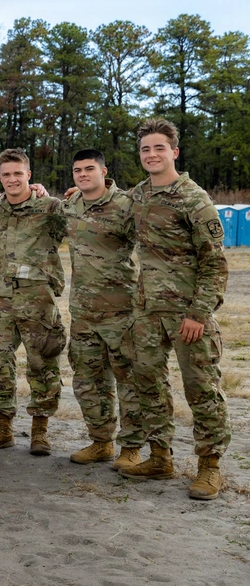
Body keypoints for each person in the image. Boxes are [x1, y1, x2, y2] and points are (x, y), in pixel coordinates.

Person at [118, 119, 230, 500]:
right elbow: (105, 204)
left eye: (159, 148)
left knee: (201, 389)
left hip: (187, 314)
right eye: (145, 150)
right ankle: (160, 456)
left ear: (174, 152)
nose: (151, 155)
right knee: (148, 383)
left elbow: (214, 262)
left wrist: (198, 313)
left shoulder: (194, 198)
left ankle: (209, 467)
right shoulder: (138, 195)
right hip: (148, 312)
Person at [0, 148, 67, 456]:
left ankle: (40, 430)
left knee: (42, 363)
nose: (12, 179)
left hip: (38, 299)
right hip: (2, 299)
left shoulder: (50, 207)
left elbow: (83, 220)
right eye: (6, 174)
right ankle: (3, 429)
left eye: (18, 173)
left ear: (29, 175)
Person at [61, 150, 143, 470]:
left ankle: (132, 447)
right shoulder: (70, 207)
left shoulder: (125, 205)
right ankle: (101, 441)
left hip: (121, 312)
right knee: (87, 381)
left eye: (89, 169)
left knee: (129, 382)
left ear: (103, 170)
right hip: (83, 314)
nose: (83, 175)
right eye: (77, 170)